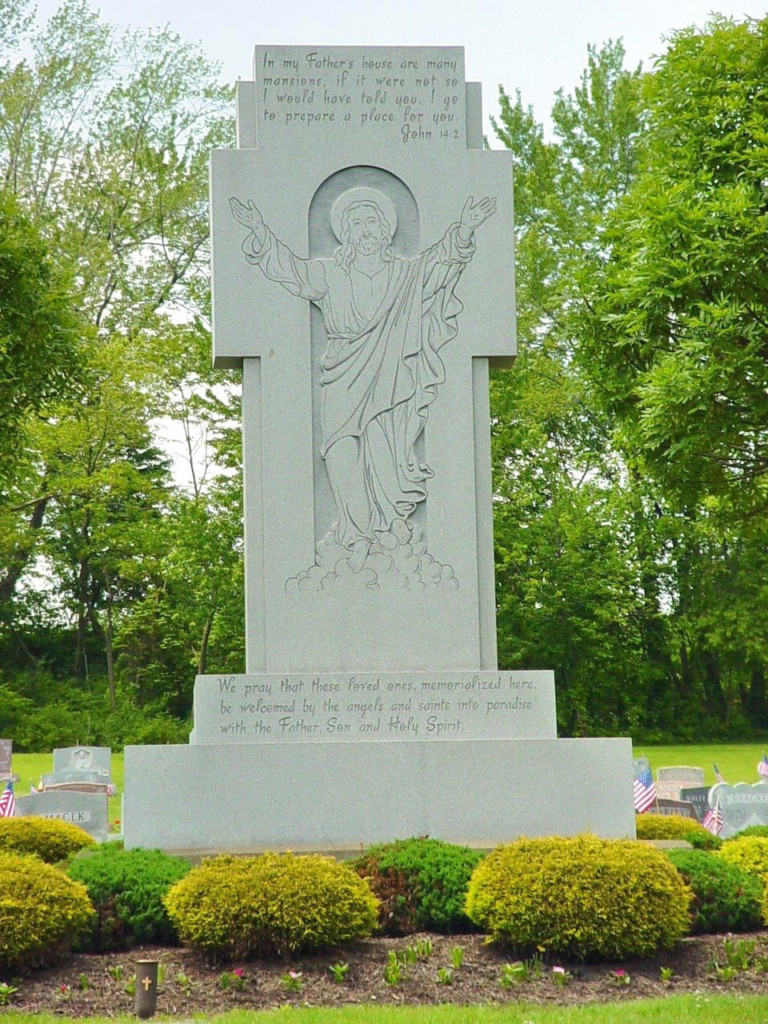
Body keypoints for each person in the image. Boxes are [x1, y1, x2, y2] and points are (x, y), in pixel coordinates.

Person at [230, 189, 495, 572]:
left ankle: (388, 529)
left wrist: (464, 228)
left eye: (372, 222)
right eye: (357, 223)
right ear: (346, 234)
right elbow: (291, 271)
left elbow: (439, 265)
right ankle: (354, 535)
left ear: (386, 230)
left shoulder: (405, 274)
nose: (366, 230)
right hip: (342, 372)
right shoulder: (329, 273)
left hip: (390, 379)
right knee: (339, 451)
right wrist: (259, 230)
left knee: (382, 452)